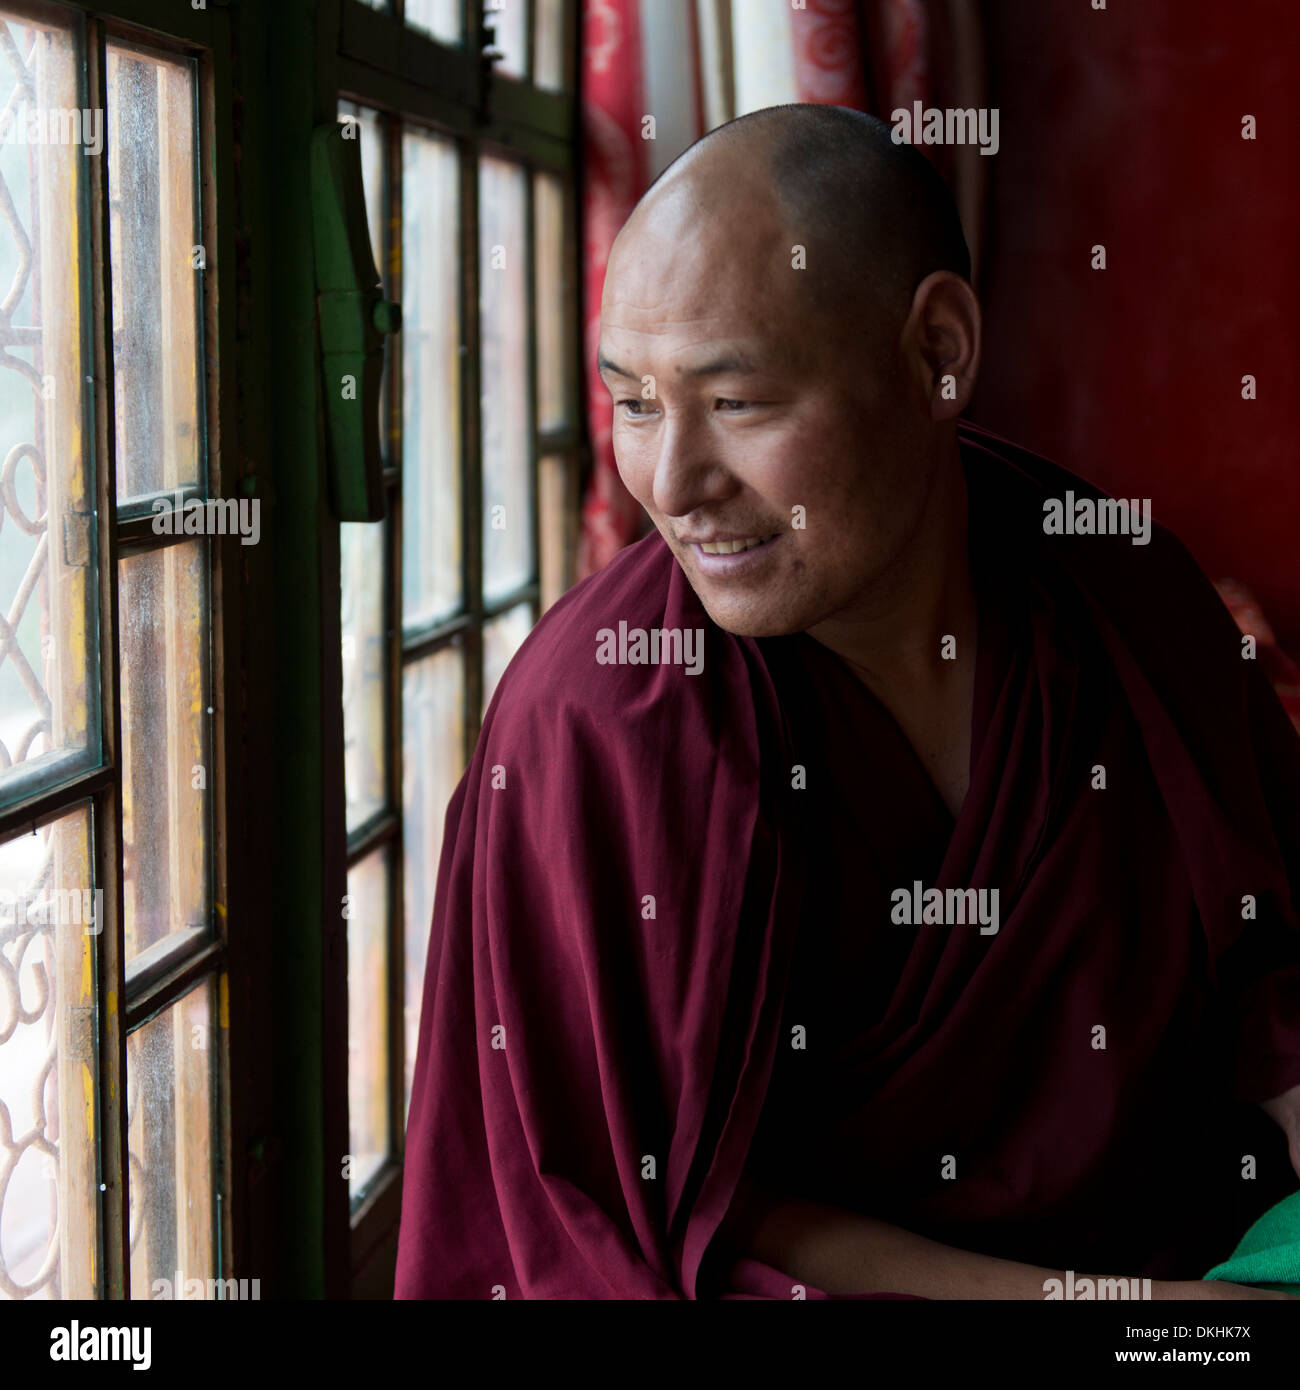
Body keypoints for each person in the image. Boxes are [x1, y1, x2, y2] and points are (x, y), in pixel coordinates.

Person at [393, 104, 1300, 1300]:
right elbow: (655, 1208)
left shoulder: (1122, 595)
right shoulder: (592, 727)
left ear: (936, 349)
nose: (674, 485)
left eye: (739, 403)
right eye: (636, 402)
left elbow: (1276, 988)